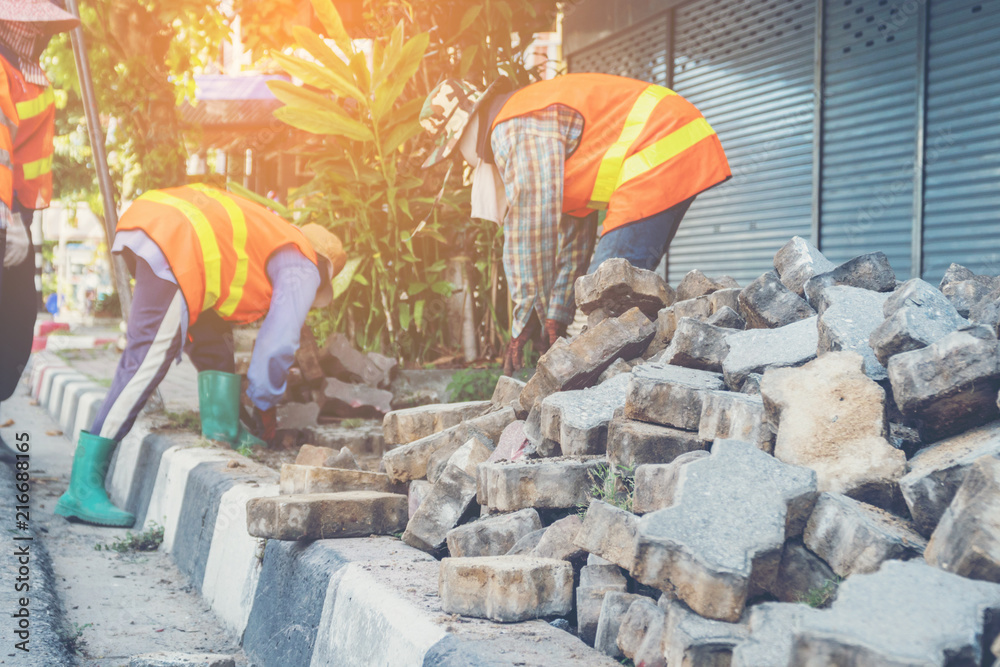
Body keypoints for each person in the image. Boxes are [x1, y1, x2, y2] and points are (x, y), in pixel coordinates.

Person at [54, 184, 346, 527]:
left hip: (160, 226)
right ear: (325, 268)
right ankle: (83, 486)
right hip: (178, 245)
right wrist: (264, 403)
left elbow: (214, 338)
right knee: (147, 360)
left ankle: (223, 429)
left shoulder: (272, 234)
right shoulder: (305, 262)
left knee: (210, 339)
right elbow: (279, 341)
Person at [419, 73, 731, 375]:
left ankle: (610, 407)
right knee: (616, 309)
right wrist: (557, 314)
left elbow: (530, 226)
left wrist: (524, 314)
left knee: (608, 302)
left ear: (464, 130)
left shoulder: (513, 127)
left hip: (658, 144)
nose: (461, 161)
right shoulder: (527, 118)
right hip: (671, 140)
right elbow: (575, 239)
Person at [0, 0, 81, 464]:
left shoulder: (26, 71)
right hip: (4, 214)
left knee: (14, 324)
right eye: (32, 25)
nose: (41, 35)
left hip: (17, 212)